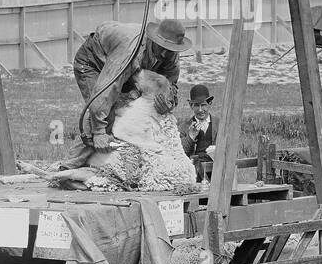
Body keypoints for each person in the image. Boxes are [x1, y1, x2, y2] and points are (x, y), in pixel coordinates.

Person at [58, 18, 192, 169]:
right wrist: (99, 132)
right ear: (154, 39)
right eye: (163, 48)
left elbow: (170, 84)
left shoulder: (170, 53)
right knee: (107, 114)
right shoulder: (130, 48)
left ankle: (103, 162)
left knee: (129, 109)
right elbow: (106, 90)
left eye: (171, 49)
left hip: (132, 69)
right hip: (94, 63)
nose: (166, 53)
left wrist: (168, 103)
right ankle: (69, 166)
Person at [180, 83, 217, 182]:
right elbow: (180, 154)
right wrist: (191, 137)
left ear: (210, 104)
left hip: (217, 174)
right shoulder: (184, 127)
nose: (200, 110)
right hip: (193, 177)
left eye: (203, 105)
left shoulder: (220, 125)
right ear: (191, 105)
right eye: (196, 105)